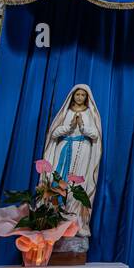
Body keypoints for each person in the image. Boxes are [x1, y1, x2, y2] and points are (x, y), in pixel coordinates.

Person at [43, 85, 102, 237]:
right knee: (56, 182)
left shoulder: (91, 113)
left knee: (77, 186)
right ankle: (55, 220)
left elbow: (95, 135)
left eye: (83, 95)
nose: (80, 97)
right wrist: (69, 127)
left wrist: (82, 126)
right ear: (72, 96)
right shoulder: (65, 112)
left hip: (82, 152)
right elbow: (54, 133)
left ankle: (77, 224)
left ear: (87, 97)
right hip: (63, 149)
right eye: (78, 94)